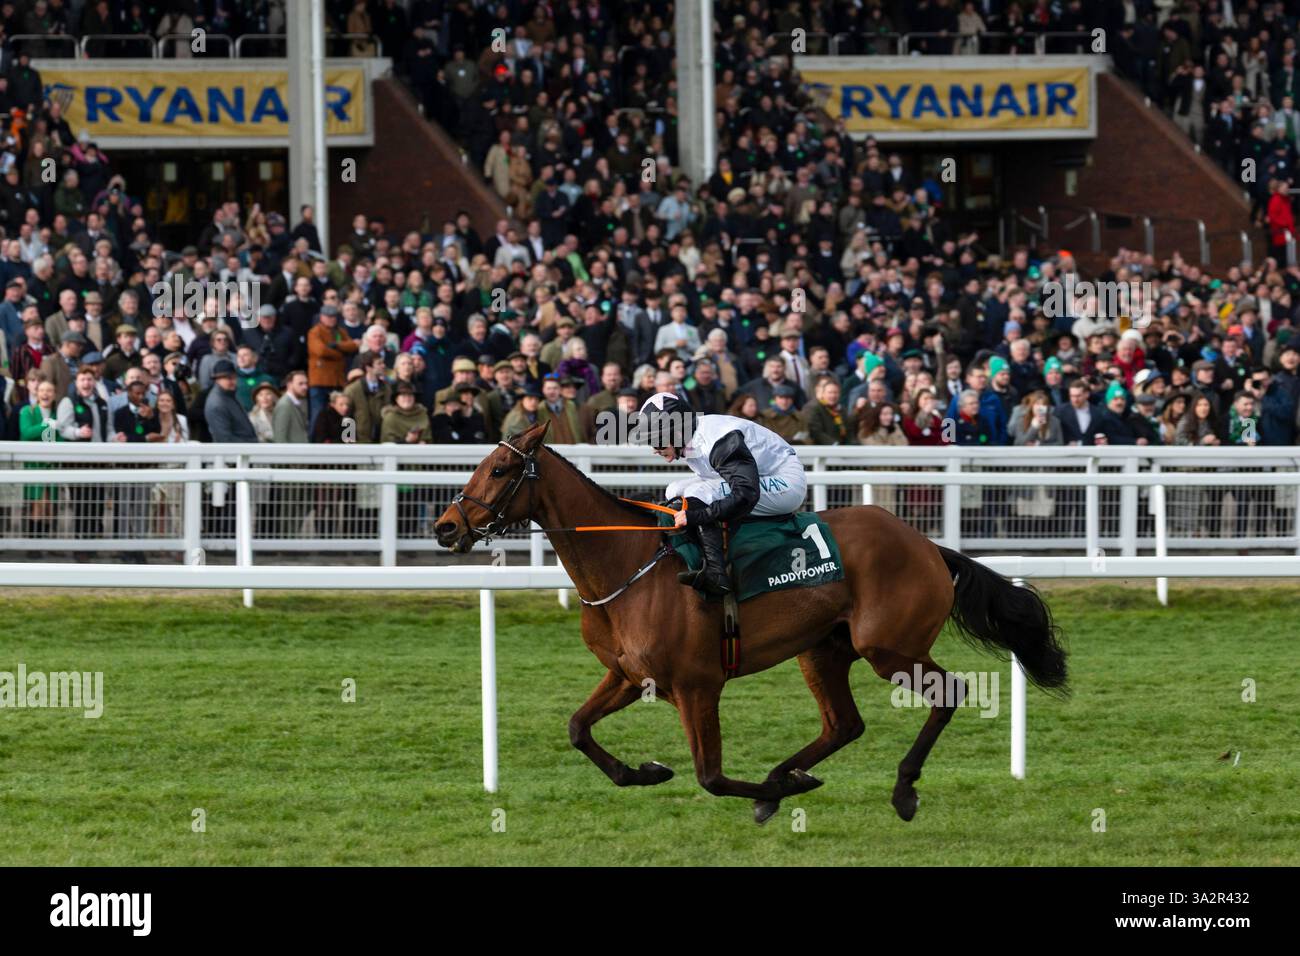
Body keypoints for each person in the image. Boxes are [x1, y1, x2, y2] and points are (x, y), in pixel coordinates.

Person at [639, 391, 808, 597]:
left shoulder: (720, 443)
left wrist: (697, 516)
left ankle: (716, 574)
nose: (654, 450)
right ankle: (694, 557)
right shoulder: (691, 438)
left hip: (786, 482)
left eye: (656, 442)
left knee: (698, 492)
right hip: (758, 476)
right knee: (674, 490)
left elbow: (746, 495)